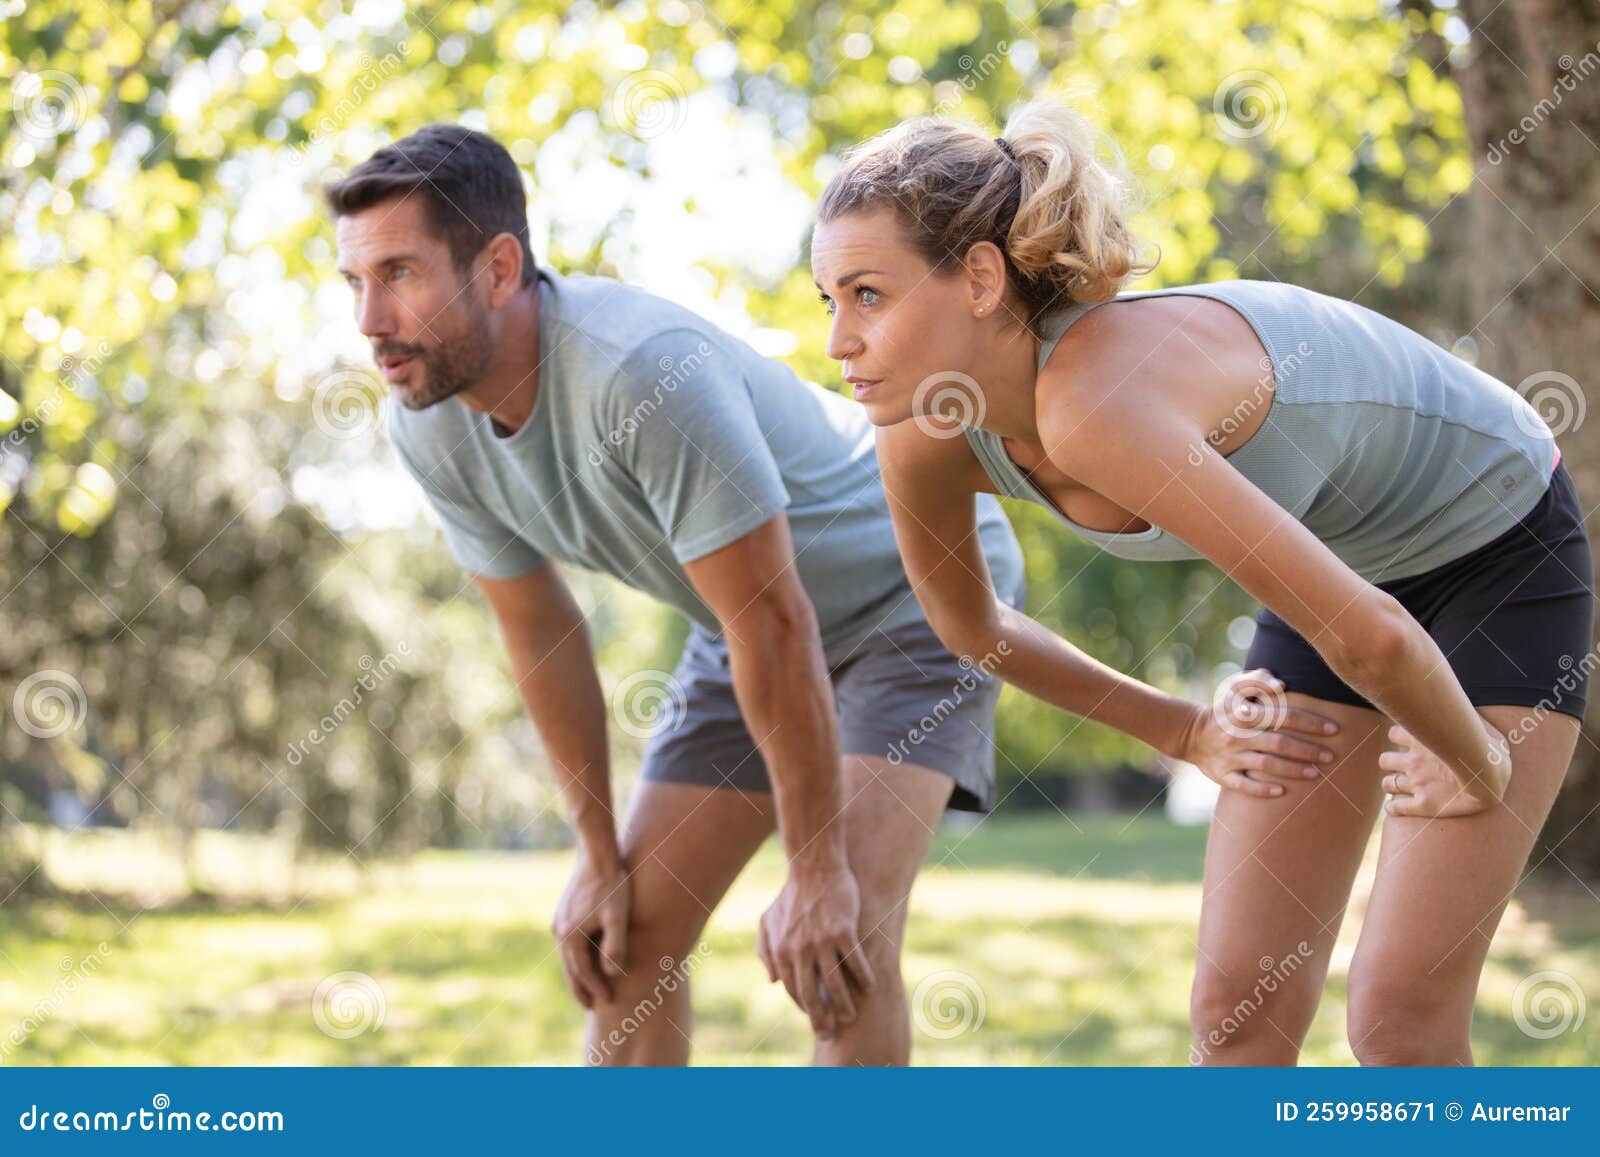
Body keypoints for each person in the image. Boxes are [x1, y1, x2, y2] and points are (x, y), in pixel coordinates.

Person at [809, 98, 1594, 1066]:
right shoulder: (922, 434)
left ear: (977, 276)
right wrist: (1186, 732)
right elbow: (974, 629)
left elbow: (1378, 640)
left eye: (868, 295)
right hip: (1340, 578)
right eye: (828, 301)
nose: (838, 339)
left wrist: (1475, 758)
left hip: (1497, 546)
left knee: (1396, 1018)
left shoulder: (1098, 400)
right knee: (1235, 1010)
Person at [323, 124, 1027, 1065]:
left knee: (839, 945)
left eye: (400, 273)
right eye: (355, 283)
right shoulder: (429, 422)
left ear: (497, 267)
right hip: (743, 620)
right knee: (627, 944)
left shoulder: (635, 371)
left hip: (916, 592)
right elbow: (541, 633)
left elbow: (775, 623)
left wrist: (816, 871)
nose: (370, 319)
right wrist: (596, 854)